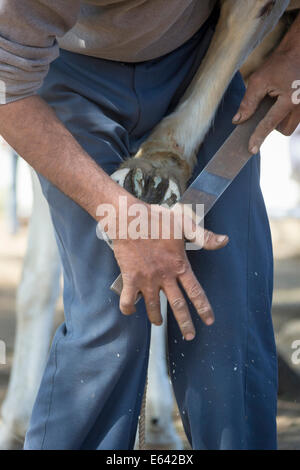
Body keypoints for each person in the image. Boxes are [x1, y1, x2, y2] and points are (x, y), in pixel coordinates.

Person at [0, 1, 299, 450]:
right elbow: (7, 88)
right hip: (72, 71)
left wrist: (294, 53)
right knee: (111, 315)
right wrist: (120, 214)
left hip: (207, 61)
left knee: (227, 314)